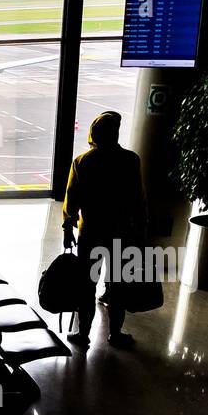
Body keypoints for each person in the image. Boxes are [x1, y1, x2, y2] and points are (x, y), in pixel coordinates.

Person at [61, 110, 146, 348]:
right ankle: (115, 334)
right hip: (121, 233)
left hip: (90, 234)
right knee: (118, 287)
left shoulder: (82, 162)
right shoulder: (131, 160)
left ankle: (83, 334)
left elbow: (71, 200)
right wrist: (141, 230)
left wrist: (68, 229)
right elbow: (138, 201)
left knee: (87, 287)